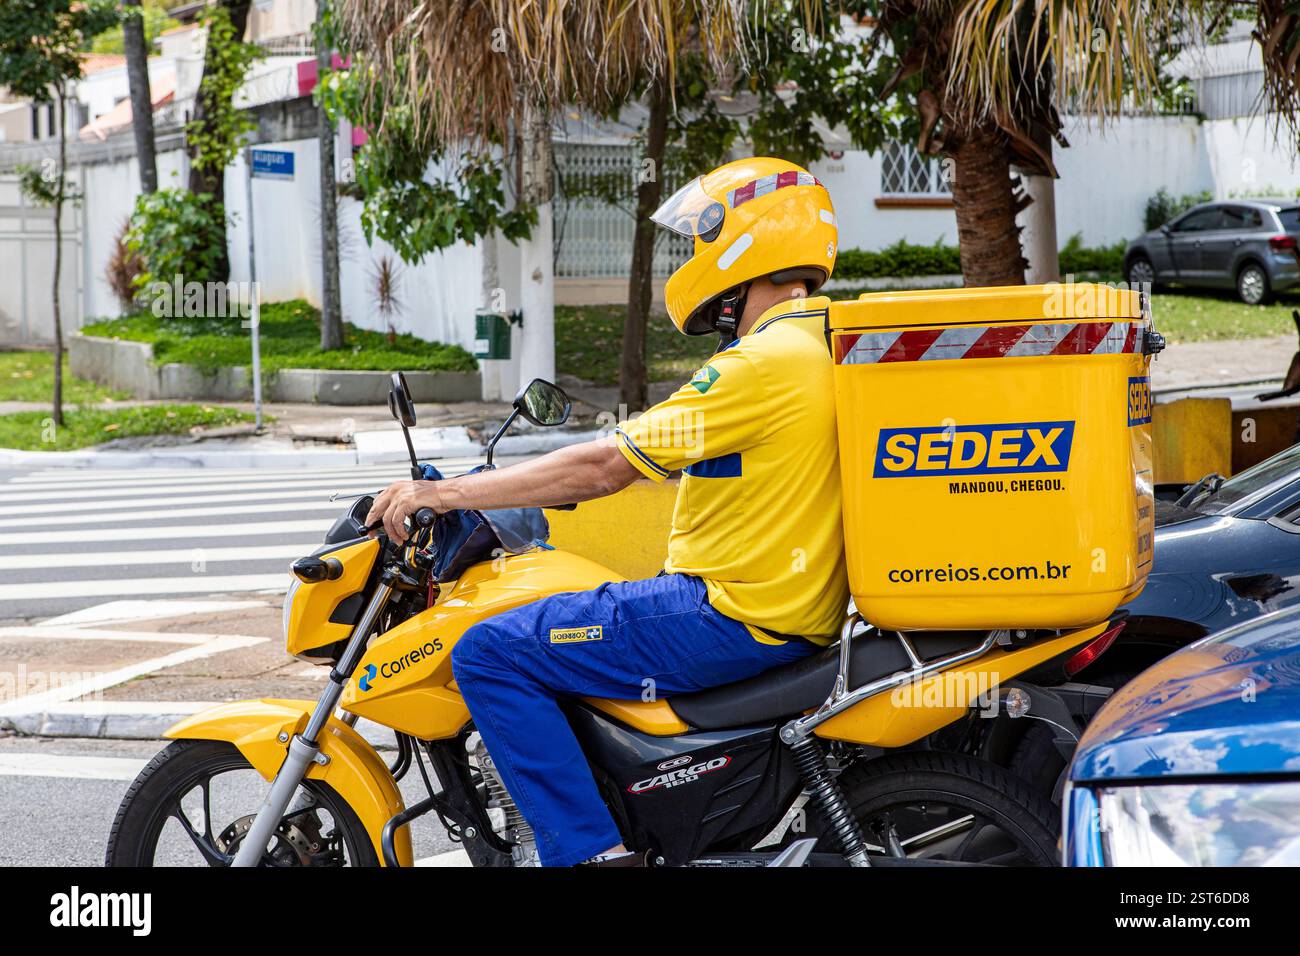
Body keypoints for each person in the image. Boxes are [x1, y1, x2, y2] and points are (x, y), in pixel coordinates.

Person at [366, 157, 849, 866]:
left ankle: (590, 854)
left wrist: (445, 493)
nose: (693, 260)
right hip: (788, 609)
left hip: (730, 613)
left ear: (747, 244)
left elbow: (604, 466)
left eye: (700, 242)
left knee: (491, 653)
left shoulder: (761, 364)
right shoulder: (827, 343)